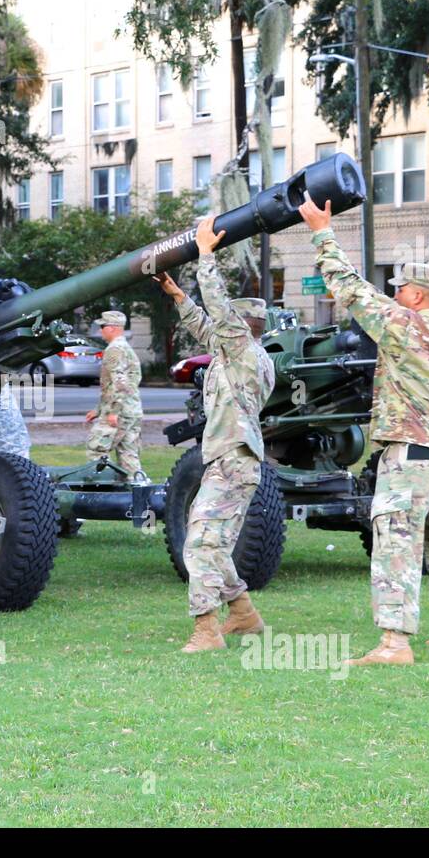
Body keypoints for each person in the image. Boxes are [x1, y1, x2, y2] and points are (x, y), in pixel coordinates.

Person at [299, 193, 429, 665]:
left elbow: (350, 288)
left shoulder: (404, 325)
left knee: (395, 539)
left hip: (409, 451)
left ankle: (394, 643)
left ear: (417, 296)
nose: (396, 294)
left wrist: (322, 231)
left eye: (401, 289)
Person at [153, 215, 276, 652]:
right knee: (214, 541)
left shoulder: (244, 353)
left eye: (228, 327)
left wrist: (206, 256)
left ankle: (206, 630)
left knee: (201, 541)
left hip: (234, 459)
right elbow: (208, 326)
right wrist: (179, 295)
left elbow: (219, 314)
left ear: (241, 329)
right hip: (231, 458)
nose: (219, 332)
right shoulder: (240, 355)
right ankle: (243, 614)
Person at [85, 310, 144, 478]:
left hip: (119, 412)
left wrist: (113, 412)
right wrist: (97, 410)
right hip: (132, 410)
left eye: (102, 326)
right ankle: (138, 492)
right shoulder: (126, 348)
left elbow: (120, 383)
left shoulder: (114, 350)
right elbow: (129, 381)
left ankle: (100, 490)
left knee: (96, 449)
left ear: (112, 328)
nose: (100, 331)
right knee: (128, 455)